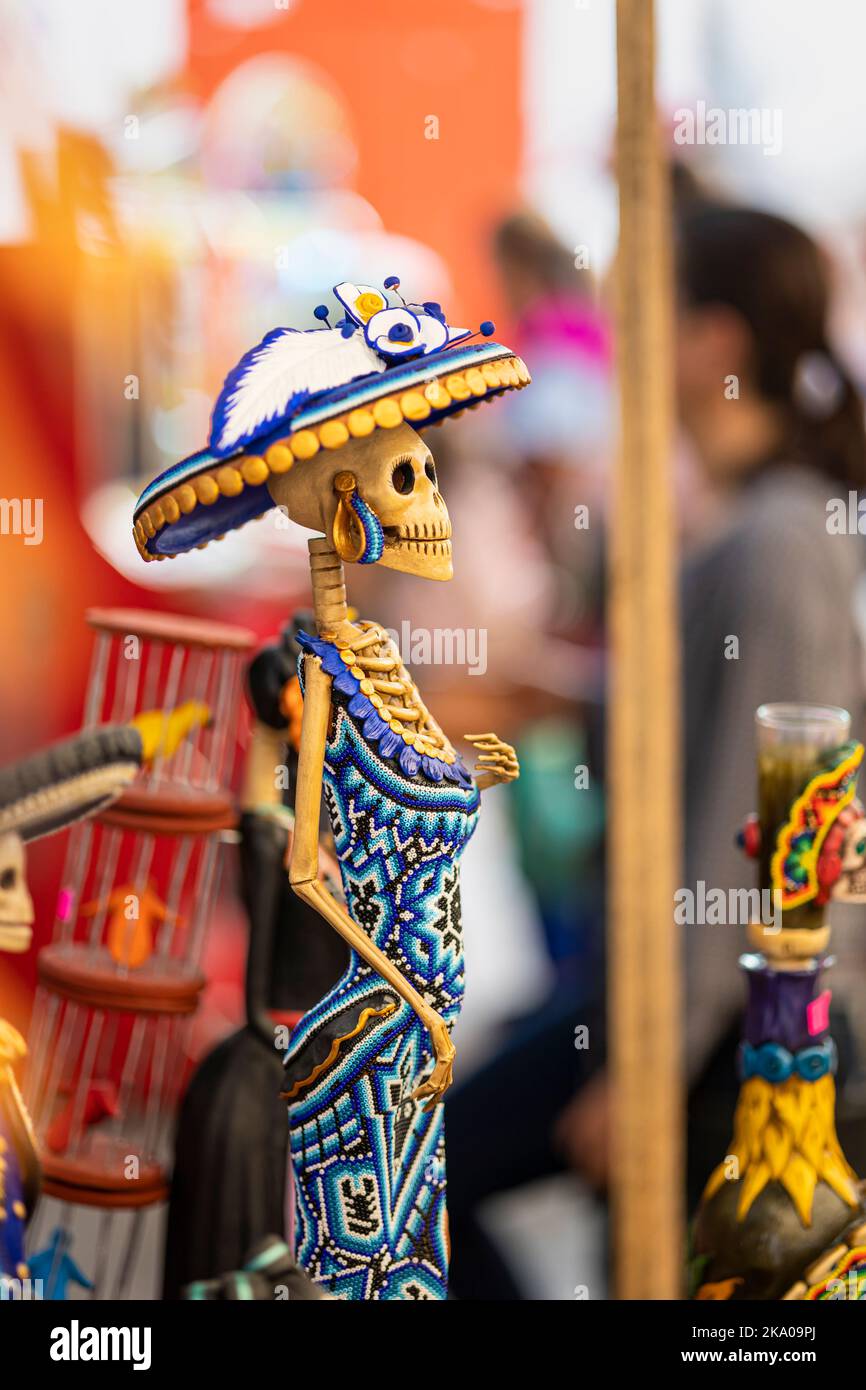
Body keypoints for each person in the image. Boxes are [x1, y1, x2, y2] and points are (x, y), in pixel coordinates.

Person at [448, 199, 866, 1295]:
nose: (614, 327)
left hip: (739, 1029)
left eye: (646, 303)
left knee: (418, 1178)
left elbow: (760, 823)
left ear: (714, 341)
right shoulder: (746, 522)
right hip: (681, 1007)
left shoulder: (778, 539)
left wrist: (646, 1059)